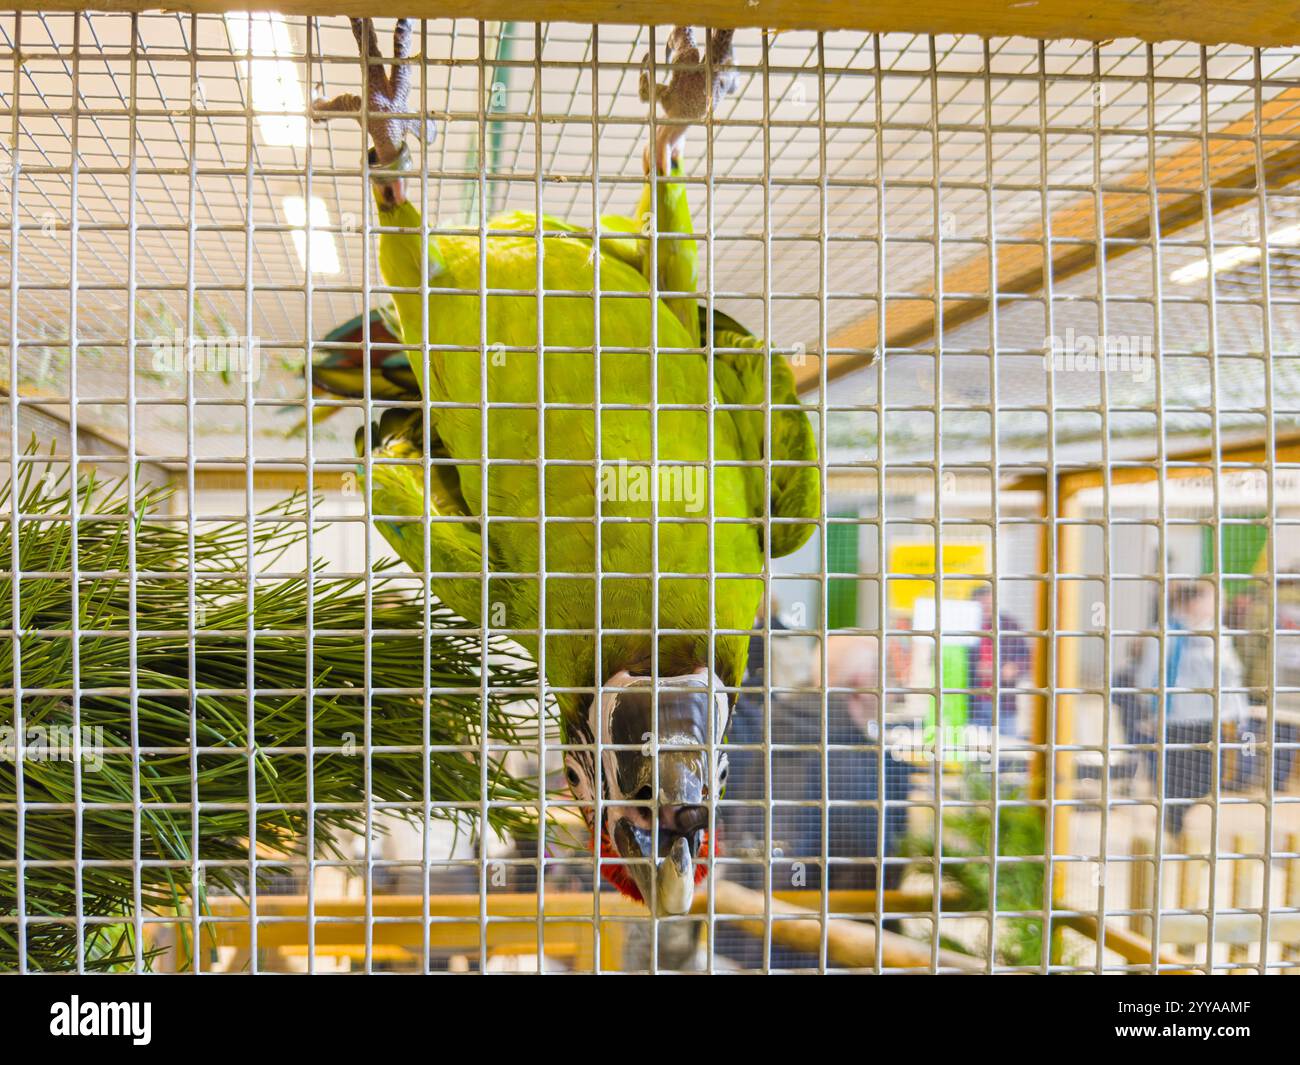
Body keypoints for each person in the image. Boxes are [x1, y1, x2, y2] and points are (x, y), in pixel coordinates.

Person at [1138, 581, 1249, 838]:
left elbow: (1232, 675)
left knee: (1209, 777)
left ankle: (1174, 818)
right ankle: (1173, 826)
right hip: (1175, 718)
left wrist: (1239, 710)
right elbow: (1148, 675)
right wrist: (1152, 708)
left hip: (1210, 718)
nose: (1218, 606)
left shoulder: (1219, 633)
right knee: (1176, 776)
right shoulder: (1167, 631)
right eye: (1212, 600)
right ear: (1192, 602)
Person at [967, 585, 1032, 737]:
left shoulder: (1010, 626)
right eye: (982, 605)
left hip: (1004, 702)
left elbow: (1027, 658)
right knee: (977, 749)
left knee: (1006, 750)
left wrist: (1014, 668)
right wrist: (973, 668)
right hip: (974, 703)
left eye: (989, 604)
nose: (986, 609)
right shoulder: (967, 627)